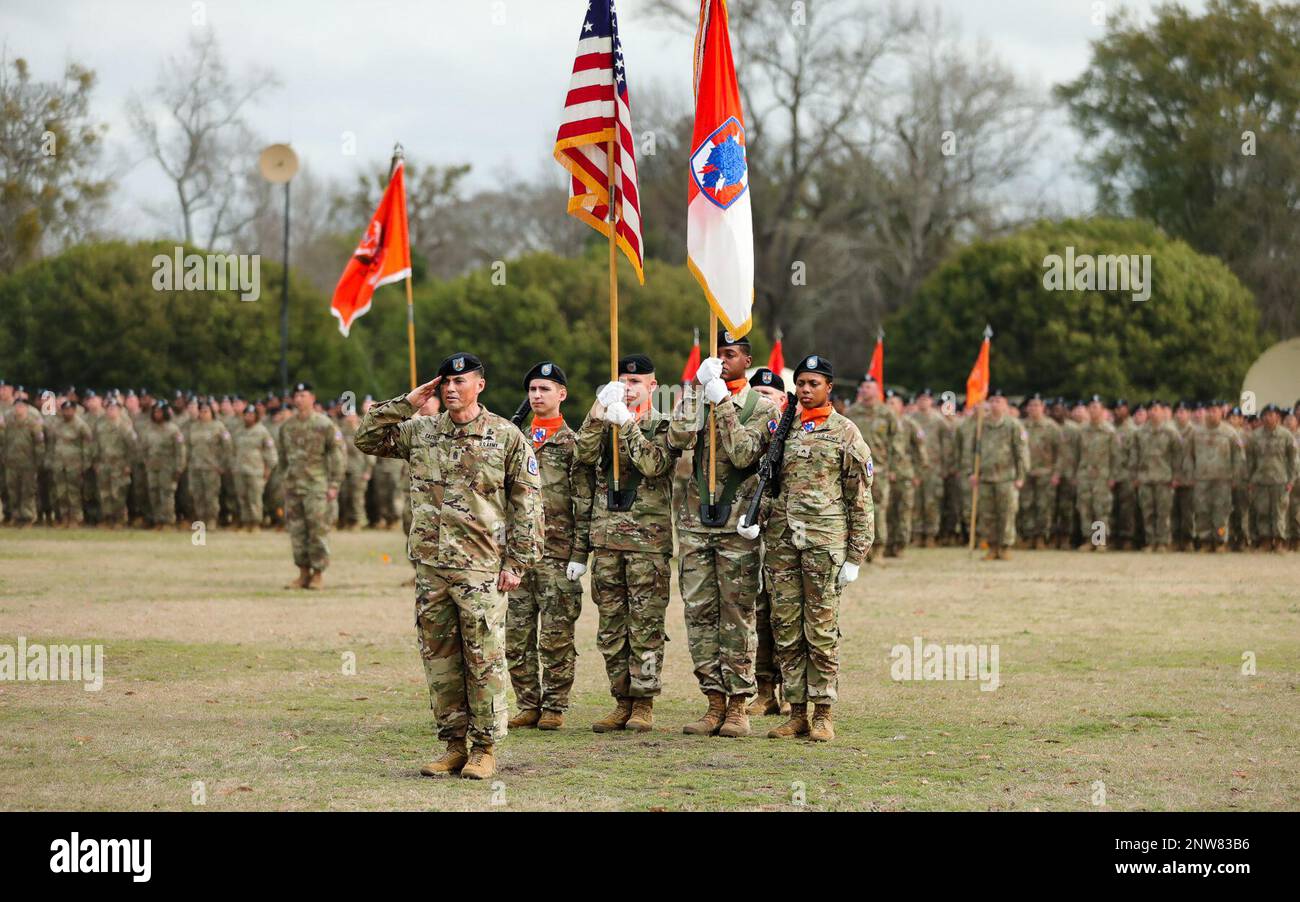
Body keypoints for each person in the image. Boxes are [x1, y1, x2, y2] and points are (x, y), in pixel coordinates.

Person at [355, 352, 543, 781]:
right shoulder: (421, 431)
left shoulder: (505, 436)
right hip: (431, 566)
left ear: (481, 384)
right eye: (446, 382)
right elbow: (366, 439)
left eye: (461, 381)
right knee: (440, 659)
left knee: (483, 658)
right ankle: (454, 744)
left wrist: (517, 561)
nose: (452, 388)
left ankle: (485, 748)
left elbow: (527, 504)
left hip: (480, 568)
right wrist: (407, 402)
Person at [667, 330, 779, 738]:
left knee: (737, 615)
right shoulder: (700, 398)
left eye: (730, 355)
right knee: (699, 614)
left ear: (747, 361)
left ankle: (738, 705)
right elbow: (675, 438)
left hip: (737, 527)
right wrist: (698, 392)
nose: (723, 361)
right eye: (718, 355)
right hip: (697, 524)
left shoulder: (763, 407)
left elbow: (745, 453)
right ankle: (712, 701)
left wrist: (723, 403)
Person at [759, 354, 872, 743]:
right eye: (801, 384)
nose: (805, 390)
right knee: (786, 628)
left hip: (824, 543)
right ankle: (797, 712)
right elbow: (769, 483)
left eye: (814, 384)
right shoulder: (782, 428)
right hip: (782, 542)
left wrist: (856, 555)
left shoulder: (845, 432)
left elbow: (860, 497)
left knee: (820, 629)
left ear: (828, 388)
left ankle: (823, 712)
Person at [575, 354, 679, 734]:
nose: (629, 388)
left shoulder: (663, 423)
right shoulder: (605, 420)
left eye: (637, 383)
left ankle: (644, 701)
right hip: (606, 539)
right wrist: (600, 408)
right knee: (611, 627)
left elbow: (654, 465)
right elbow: (582, 454)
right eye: (623, 382)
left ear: (653, 386)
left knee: (646, 626)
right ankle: (621, 699)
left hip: (647, 544)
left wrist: (629, 427)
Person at [505, 361, 592, 732]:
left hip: (558, 554)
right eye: (533, 390)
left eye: (545, 389)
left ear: (562, 395)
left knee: (556, 637)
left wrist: (580, 553)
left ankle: (555, 705)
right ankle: (527, 703)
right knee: (516, 635)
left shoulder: (574, 444)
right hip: (518, 556)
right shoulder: (513, 438)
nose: (537, 396)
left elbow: (584, 501)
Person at [746, 367, 791, 717]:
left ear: (783, 400)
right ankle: (764, 690)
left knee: (787, 616)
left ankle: (793, 690)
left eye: (769, 395)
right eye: (756, 394)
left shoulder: (795, 435)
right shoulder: (744, 433)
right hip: (750, 535)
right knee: (758, 615)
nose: (763, 400)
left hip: (787, 538)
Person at [277, 382, 345, 589]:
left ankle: (318, 574)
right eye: (296, 396)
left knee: (317, 531)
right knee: (297, 532)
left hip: (317, 487)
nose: (299, 399)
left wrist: (334, 484)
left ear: (312, 398)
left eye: (303, 395)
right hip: (294, 487)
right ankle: (303, 573)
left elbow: (337, 455)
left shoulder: (325, 425)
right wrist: (284, 481)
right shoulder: (287, 427)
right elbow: (282, 458)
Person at [964, 389, 1028, 560]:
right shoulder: (980, 425)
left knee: (1007, 513)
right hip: (985, 477)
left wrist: (1021, 476)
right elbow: (972, 451)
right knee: (987, 514)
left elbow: (1021, 452)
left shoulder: (1013, 425)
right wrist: (971, 472)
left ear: (1005, 405)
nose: (994, 405)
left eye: (998, 401)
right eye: (991, 401)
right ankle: (992, 547)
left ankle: (1005, 546)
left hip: (1006, 477)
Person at [844, 376, 897, 562]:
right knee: (855, 510)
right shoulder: (851, 413)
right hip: (855, 471)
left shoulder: (887, 413)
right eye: (864, 387)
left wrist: (894, 468)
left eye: (870, 387)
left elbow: (896, 443)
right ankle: (859, 552)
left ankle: (879, 550)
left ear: (876, 390)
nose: (866, 390)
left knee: (879, 509)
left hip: (879, 470)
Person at [1184, 402, 1245, 552]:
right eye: (1209, 411)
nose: (1212, 414)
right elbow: (1189, 456)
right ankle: (1205, 541)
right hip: (1201, 479)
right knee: (1202, 511)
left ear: (1221, 413)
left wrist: (1236, 477)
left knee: (1221, 513)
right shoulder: (1196, 432)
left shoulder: (1230, 433)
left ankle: (1220, 541)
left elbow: (1239, 456)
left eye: (1215, 411)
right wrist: (1190, 475)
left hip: (1223, 479)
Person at [1131, 399, 1183, 552]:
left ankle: (1162, 542)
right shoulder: (1140, 432)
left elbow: (1178, 455)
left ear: (1162, 411)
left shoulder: (1171, 432)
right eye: (1151, 409)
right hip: (1145, 477)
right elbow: (1135, 454)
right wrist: (1134, 475)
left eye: (1157, 409)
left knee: (1163, 512)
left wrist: (1176, 476)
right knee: (1147, 512)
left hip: (1164, 478)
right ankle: (1150, 541)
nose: (1153, 412)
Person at [1246, 403, 1297, 552]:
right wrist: (1250, 479)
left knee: (1279, 512)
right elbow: (1250, 460)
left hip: (1280, 480)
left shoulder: (1286, 435)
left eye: (1273, 415)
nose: (1270, 417)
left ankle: (1280, 541)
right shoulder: (1255, 436)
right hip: (1260, 480)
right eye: (1267, 415)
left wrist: (1291, 480)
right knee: (1262, 511)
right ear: (1262, 417)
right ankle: (1266, 541)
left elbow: (1292, 460)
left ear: (1278, 417)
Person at [1074, 395, 1121, 552]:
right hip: (1084, 475)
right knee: (1085, 508)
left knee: (1100, 509)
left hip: (1102, 476)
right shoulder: (1082, 431)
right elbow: (1076, 454)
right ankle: (1088, 539)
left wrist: (1113, 476)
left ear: (1103, 411)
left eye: (1096, 407)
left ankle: (1099, 539)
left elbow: (1116, 456)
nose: (1093, 410)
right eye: (1091, 407)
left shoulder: (1109, 431)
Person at [909, 389, 951, 548]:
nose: (923, 402)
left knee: (931, 502)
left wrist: (945, 466)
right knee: (916, 502)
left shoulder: (939, 421)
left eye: (926, 399)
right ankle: (917, 533)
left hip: (934, 467)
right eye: (920, 399)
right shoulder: (910, 420)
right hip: (915, 467)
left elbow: (947, 445)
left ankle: (931, 534)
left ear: (931, 401)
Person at [1020, 393, 1061, 549]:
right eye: (1031, 406)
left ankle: (1041, 537)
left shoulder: (1052, 427)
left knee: (1043, 506)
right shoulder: (1021, 426)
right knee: (1026, 506)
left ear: (1043, 408)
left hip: (1045, 472)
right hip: (1026, 472)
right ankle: (1028, 536)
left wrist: (1056, 473)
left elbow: (1060, 453)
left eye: (1037, 405)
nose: (1034, 409)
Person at [140, 398, 187, 529]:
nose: (157, 414)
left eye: (160, 412)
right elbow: (144, 448)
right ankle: (158, 520)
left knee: (166, 495)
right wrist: (146, 463)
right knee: (154, 493)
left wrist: (179, 468)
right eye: (155, 412)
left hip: (167, 468)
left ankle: (168, 521)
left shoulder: (173, 430)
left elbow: (180, 451)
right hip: (152, 467)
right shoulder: (148, 429)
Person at [232, 403, 278, 532]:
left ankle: (256, 523)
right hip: (240, 469)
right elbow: (233, 449)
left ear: (256, 416)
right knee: (243, 497)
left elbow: (270, 452)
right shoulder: (239, 431)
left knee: (255, 498)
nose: (248, 417)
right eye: (246, 414)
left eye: (251, 415)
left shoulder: (262, 431)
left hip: (256, 470)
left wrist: (268, 469)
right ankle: (246, 522)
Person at [93, 400, 137, 529]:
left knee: (118, 493)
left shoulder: (125, 427)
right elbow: (95, 445)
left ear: (119, 410)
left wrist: (129, 464)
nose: (111, 411)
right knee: (104, 493)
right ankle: (107, 518)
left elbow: (133, 448)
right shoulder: (100, 427)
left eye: (114, 408)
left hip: (119, 465)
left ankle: (119, 519)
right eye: (109, 408)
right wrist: (95, 461)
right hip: (104, 464)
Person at [49, 400, 93, 527]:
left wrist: (86, 463)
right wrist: (50, 460)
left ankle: (76, 518)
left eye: (70, 410)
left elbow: (87, 446)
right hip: (59, 463)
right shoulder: (57, 425)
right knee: (61, 492)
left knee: (74, 492)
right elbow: (52, 444)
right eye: (65, 410)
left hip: (74, 464)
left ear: (74, 410)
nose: (67, 412)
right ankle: (64, 517)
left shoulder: (81, 426)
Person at [188, 402, 232, 529]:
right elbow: (189, 446)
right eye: (201, 411)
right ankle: (201, 520)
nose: (203, 414)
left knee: (211, 495)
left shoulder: (219, 427)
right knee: (197, 495)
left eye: (206, 411)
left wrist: (222, 464)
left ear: (212, 412)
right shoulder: (194, 427)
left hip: (212, 467)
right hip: (196, 466)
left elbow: (228, 447)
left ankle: (212, 520)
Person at [1, 397, 44, 526]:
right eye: (16, 406)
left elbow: (39, 444)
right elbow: (3, 441)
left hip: (28, 464)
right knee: (12, 491)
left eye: (21, 406)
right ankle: (15, 516)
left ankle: (27, 517)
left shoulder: (33, 423)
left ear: (26, 408)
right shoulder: (8, 423)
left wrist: (38, 462)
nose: (18, 409)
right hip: (11, 463)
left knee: (27, 491)